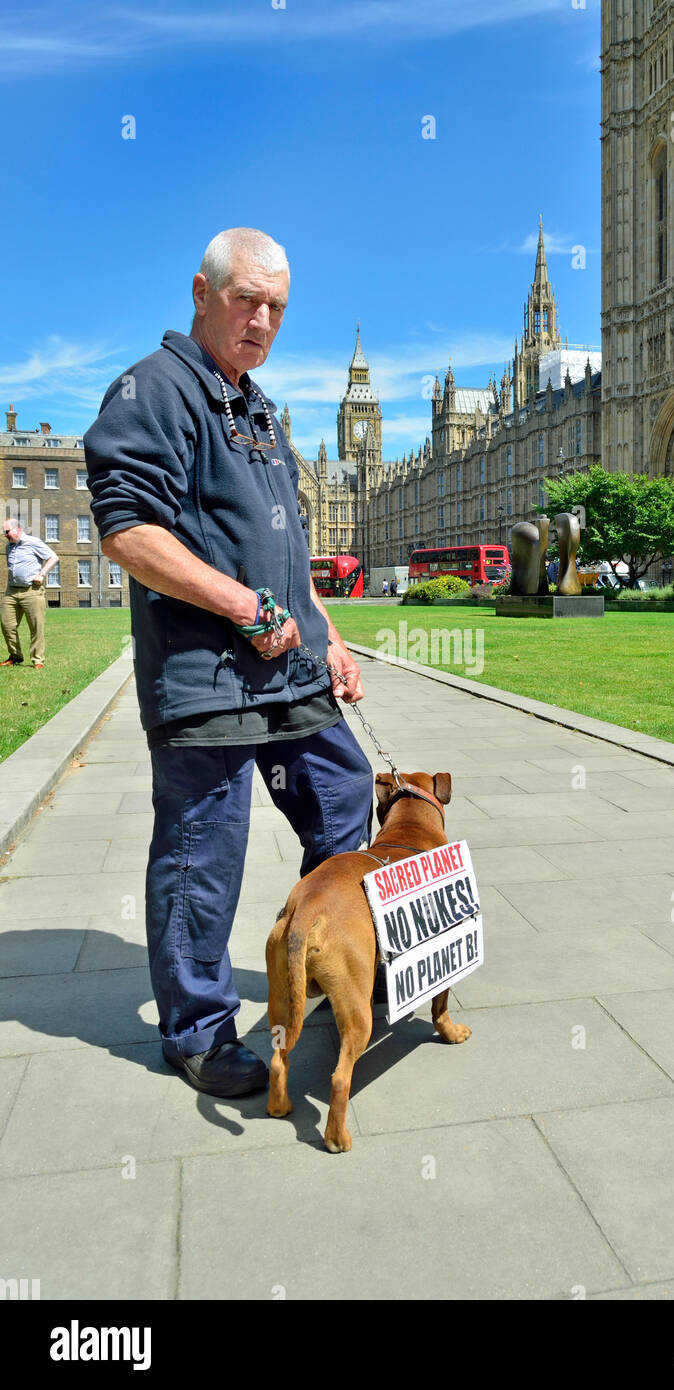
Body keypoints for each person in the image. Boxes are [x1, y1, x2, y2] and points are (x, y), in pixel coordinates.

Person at [84, 227, 374, 1099]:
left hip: (291, 673)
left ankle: (322, 964)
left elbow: (286, 552)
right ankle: (199, 1031)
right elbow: (128, 531)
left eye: (277, 306)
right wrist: (242, 606)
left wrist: (329, 632)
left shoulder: (258, 407)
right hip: (206, 678)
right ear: (203, 292)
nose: (262, 319)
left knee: (345, 791)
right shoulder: (154, 389)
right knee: (203, 853)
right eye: (248, 298)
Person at [2, 518, 58, 668]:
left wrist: (42, 574)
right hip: (12, 591)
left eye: (6, 532)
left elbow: (53, 557)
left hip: (31, 591)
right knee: (7, 625)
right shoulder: (9, 547)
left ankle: (38, 660)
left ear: (17, 529)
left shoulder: (33, 542)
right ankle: (15, 656)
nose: (5, 535)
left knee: (36, 627)